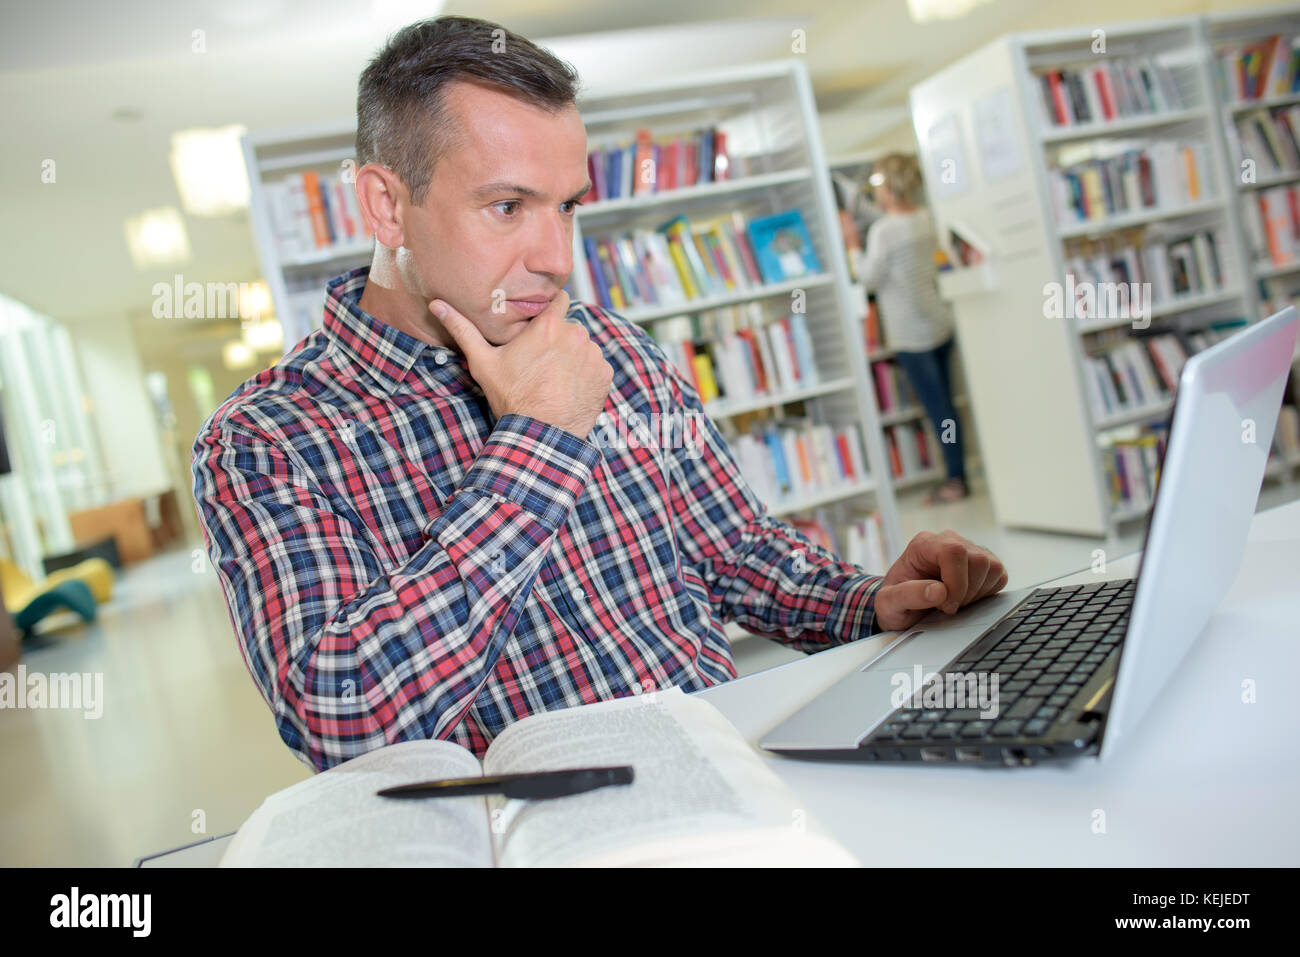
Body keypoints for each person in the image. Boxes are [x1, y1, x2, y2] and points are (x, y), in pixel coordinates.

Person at [191, 16, 1007, 773]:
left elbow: (733, 551)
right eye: (507, 206)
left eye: (569, 206)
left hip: (733, 779)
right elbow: (343, 719)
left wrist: (870, 601)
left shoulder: (611, 345)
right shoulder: (265, 439)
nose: (556, 257)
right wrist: (537, 440)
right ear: (386, 205)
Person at [842, 153, 968, 503]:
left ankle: (955, 481)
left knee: (936, 410)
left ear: (890, 187)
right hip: (940, 322)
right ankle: (958, 474)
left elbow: (868, 278)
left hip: (911, 334)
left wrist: (853, 246)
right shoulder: (926, 218)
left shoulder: (883, 231)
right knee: (948, 407)